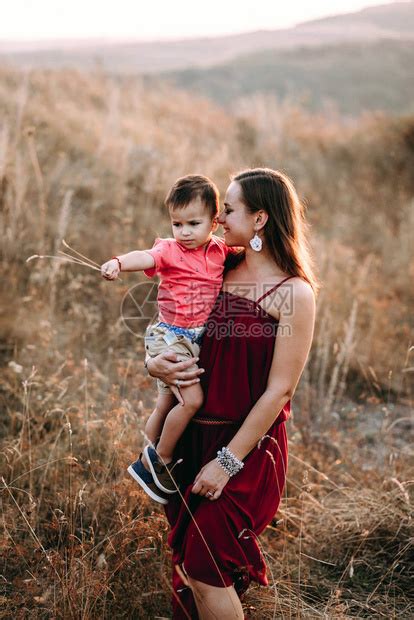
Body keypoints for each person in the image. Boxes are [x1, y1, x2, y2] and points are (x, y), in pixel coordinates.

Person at [145, 168, 318, 619]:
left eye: (229, 209)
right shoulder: (217, 265)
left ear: (260, 219)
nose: (218, 219)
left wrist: (226, 463)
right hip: (192, 437)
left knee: (206, 566)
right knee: (188, 567)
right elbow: (172, 329)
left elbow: (280, 391)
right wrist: (153, 363)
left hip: (245, 450)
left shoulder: (293, 293)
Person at [101, 175, 239, 504]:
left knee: (166, 402)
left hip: (194, 338)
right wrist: (119, 263)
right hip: (171, 337)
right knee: (191, 401)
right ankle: (161, 457)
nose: (184, 232)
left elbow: (246, 249)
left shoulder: (220, 250)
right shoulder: (170, 249)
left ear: (214, 221)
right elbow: (145, 256)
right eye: (177, 224)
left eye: (194, 223)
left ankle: (145, 458)